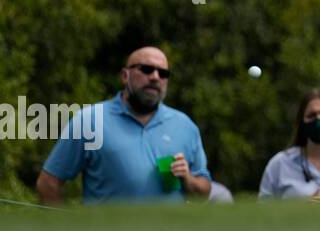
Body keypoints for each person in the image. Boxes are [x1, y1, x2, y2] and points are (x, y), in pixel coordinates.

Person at [37, 46, 211, 205]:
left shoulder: (185, 126)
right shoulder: (89, 120)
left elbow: (204, 193)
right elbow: (48, 183)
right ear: (125, 75)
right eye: (146, 69)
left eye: (163, 73)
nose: (155, 77)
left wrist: (187, 178)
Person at [259, 88, 320, 200]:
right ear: (301, 120)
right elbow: (262, 210)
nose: (318, 120)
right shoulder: (280, 163)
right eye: (311, 115)